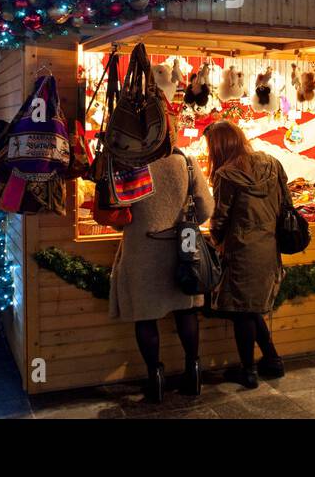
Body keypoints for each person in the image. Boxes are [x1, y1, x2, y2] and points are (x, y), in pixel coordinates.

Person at [107, 137, 213, 403]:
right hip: (182, 250)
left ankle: (154, 379)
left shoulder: (129, 165)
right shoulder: (186, 161)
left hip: (141, 250)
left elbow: (118, 221)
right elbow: (206, 209)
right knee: (187, 310)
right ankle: (194, 370)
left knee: (145, 317)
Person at [204, 119, 286, 389]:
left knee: (242, 311)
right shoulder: (272, 163)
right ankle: (272, 360)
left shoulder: (226, 175)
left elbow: (220, 217)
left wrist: (216, 240)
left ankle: (248, 371)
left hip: (242, 249)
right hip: (268, 246)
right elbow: (287, 203)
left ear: (219, 147)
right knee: (252, 309)